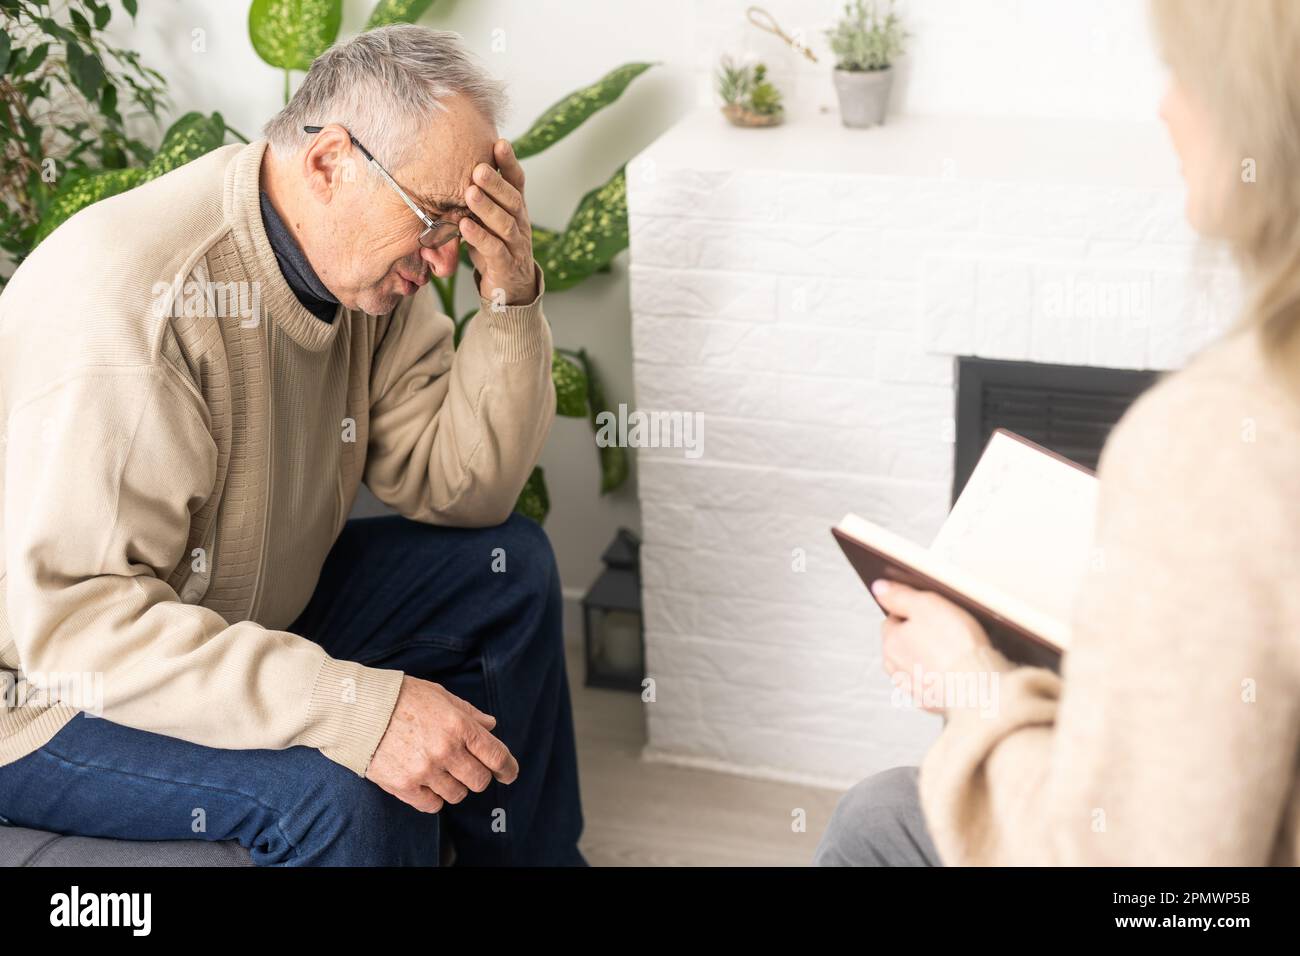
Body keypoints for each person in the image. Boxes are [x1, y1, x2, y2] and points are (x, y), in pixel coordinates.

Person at [0, 25, 585, 866]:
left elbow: (463, 488)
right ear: (330, 163)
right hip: (51, 688)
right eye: (434, 217)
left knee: (509, 567)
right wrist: (350, 706)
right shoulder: (140, 307)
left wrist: (511, 293)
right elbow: (82, 631)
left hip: (235, 619)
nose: (444, 254)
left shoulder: (369, 278)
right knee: (351, 799)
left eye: (461, 223)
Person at [816, 0, 1300, 866]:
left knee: (871, 823)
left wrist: (973, 681)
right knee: (881, 811)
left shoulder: (1217, 439)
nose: (1164, 109)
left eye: (1185, 74)